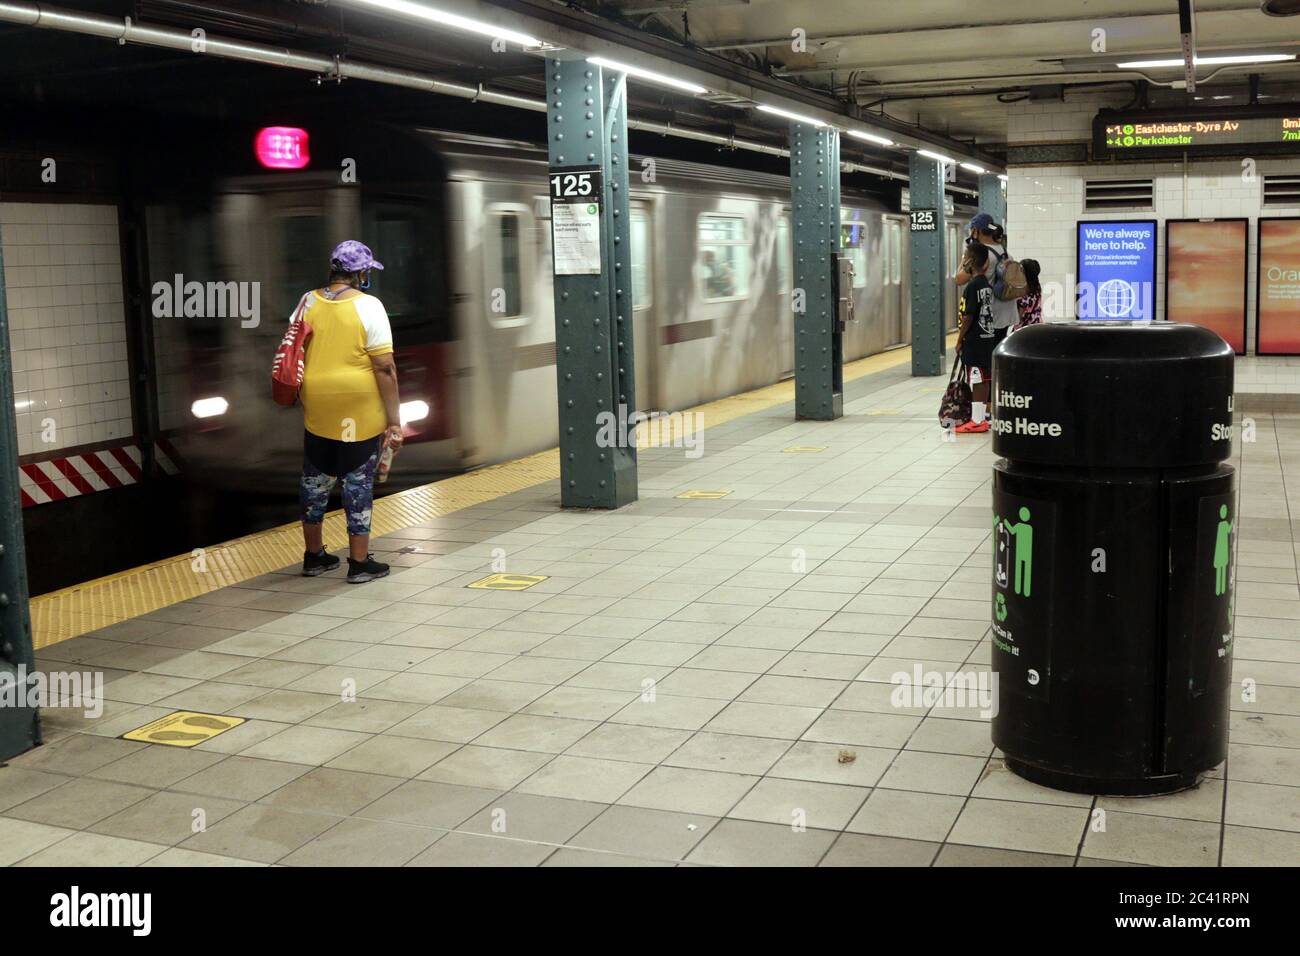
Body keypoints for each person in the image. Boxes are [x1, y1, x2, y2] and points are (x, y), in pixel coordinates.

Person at [295, 240, 403, 583]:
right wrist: (395, 420)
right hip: (357, 408)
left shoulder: (307, 301)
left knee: (315, 480)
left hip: (317, 405)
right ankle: (358, 563)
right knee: (357, 483)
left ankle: (314, 557)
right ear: (360, 273)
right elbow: (384, 367)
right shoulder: (369, 306)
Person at [953, 242, 1002, 434]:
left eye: (965, 257)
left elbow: (968, 316)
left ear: (970, 261)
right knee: (984, 378)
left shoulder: (972, 286)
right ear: (987, 265)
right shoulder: (986, 286)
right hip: (987, 337)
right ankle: (980, 418)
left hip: (974, 340)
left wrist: (959, 340)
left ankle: (977, 420)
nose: (963, 261)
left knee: (978, 379)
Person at [1011, 258, 1042, 333]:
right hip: (1037, 326)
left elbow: (1018, 317)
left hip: (1024, 331)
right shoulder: (1036, 287)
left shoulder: (1024, 293)